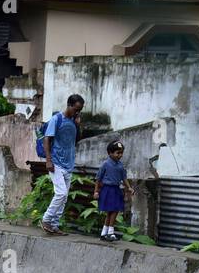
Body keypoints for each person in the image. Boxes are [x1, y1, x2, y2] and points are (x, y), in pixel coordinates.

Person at [41, 94, 84, 235]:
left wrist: (78, 125)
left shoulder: (73, 121)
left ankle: (54, 224)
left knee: (64, 197)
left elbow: (76, 140)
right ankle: (46, 220)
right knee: (61, 193)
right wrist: (48, 160)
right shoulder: (57, 119)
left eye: (80, 110)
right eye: (76, 109)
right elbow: (47, 139)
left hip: (69, 163)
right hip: (56, 162)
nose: (77, 112)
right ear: (69, 105)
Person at [94, 140, 133, 241]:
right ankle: (110, 232)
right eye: (117, 153)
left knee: (113, 211)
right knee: (113, 211)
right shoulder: (105, 164)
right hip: (107, 190)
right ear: (110, 153)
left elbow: (124, 178)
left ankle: (104, 233)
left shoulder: (120, 165)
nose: (120, 155)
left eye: (121, 153)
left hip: (117, 190)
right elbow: (98, 179)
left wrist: (129, 188)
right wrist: (96, 191)